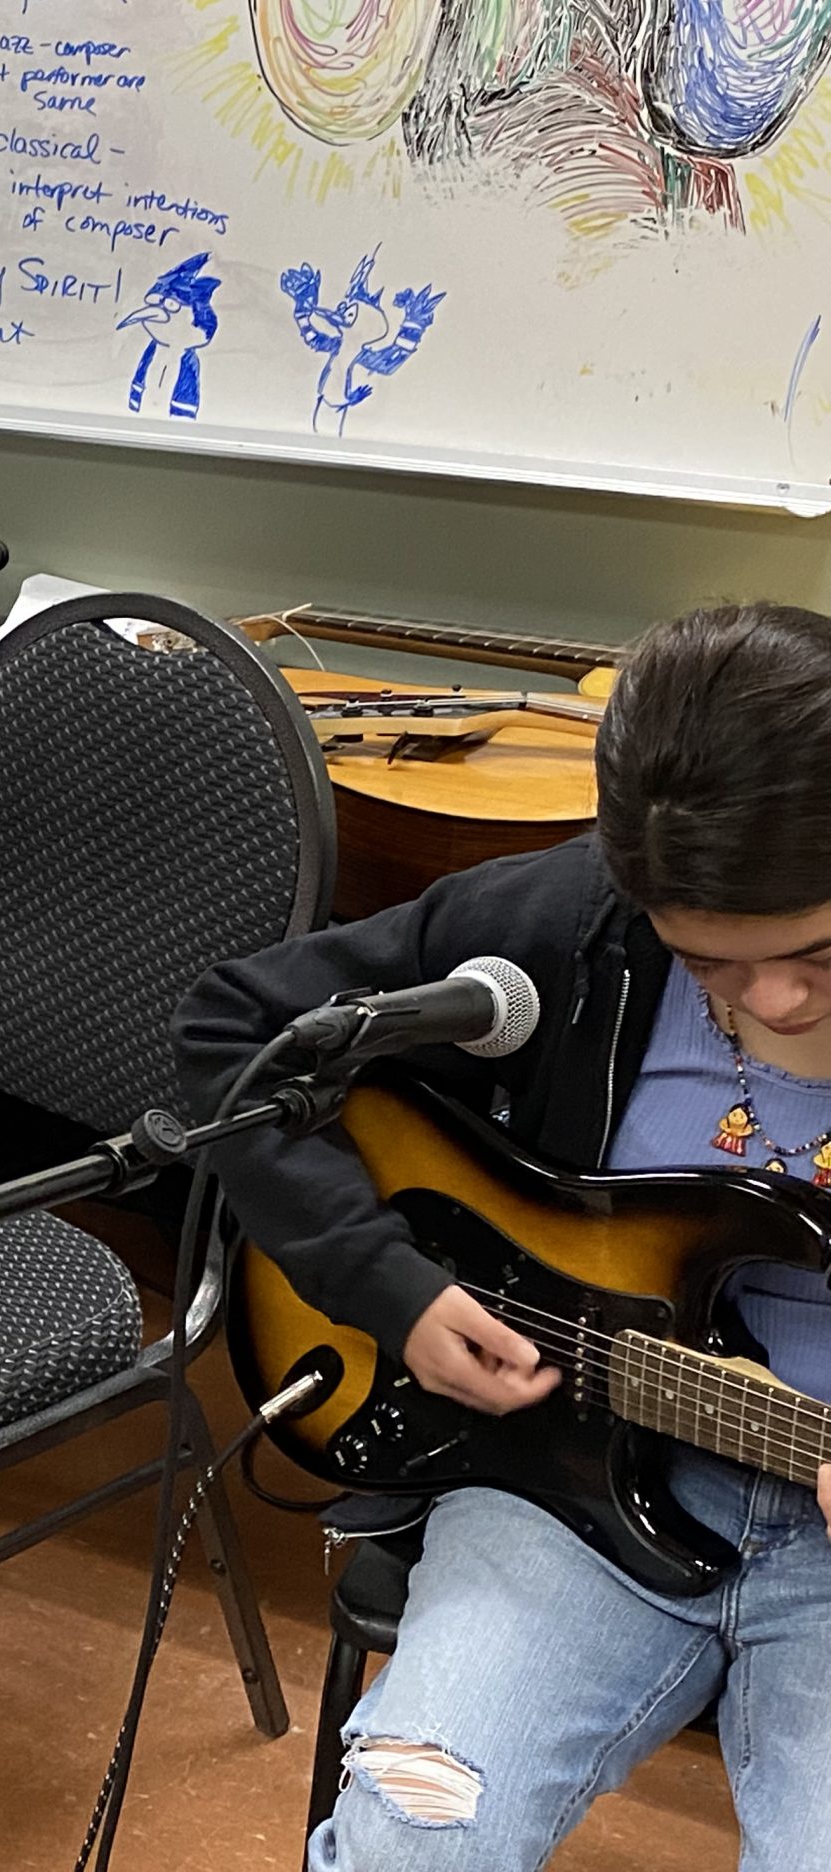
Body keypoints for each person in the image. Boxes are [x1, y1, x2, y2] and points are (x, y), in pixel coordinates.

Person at [176, 601, 831, 1870]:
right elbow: (232, 1039)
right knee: (413, 1847)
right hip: (564, 1477)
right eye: (714, 966)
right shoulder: (575, 923)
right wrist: (393, 1288)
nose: (777, 999)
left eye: (812, 949)